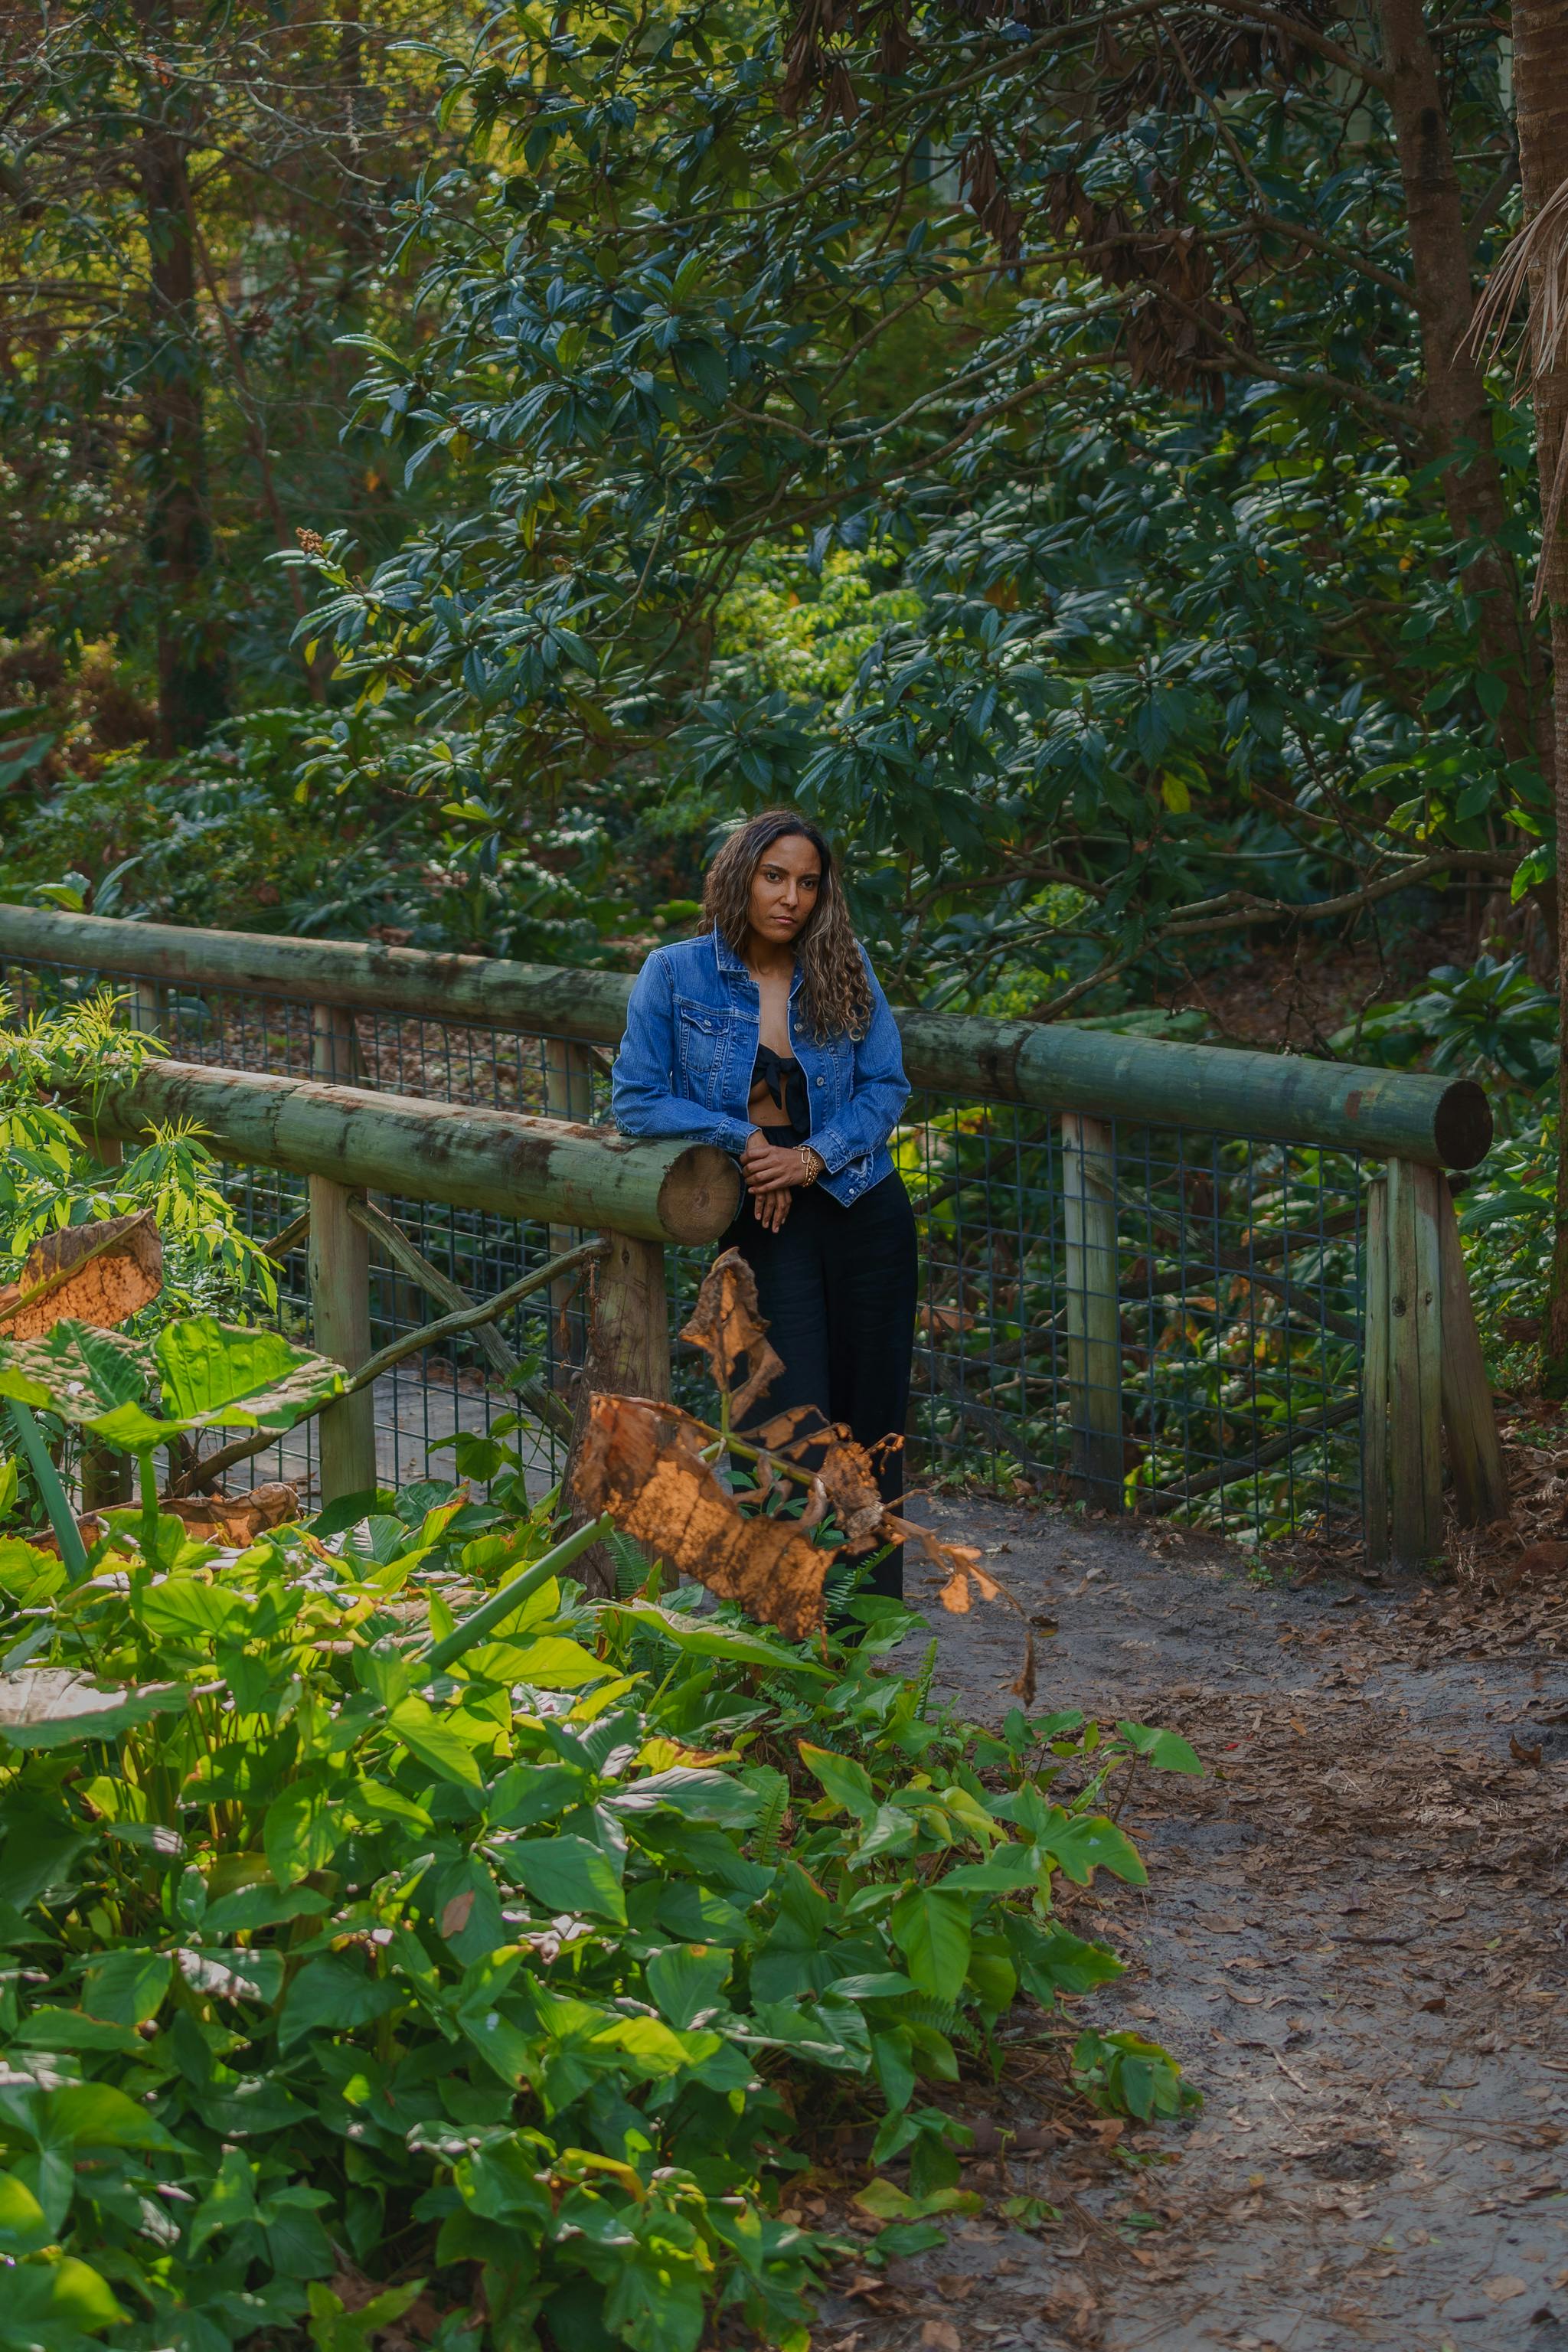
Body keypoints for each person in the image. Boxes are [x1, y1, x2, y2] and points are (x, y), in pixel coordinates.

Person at [611, 808, 918, 1598]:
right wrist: (746, 1143)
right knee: (777, 1420)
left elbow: (886, 1085)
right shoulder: (675, 972)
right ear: (739, 877)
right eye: (773, 877)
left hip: (860, 1204)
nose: (790, 898)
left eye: (807, 883)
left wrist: (808, 1159)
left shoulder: (842, 964)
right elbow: (636, 1100)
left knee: (870, 1420)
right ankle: (784, 1612)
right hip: (760, 1218)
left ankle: (864, 1621)